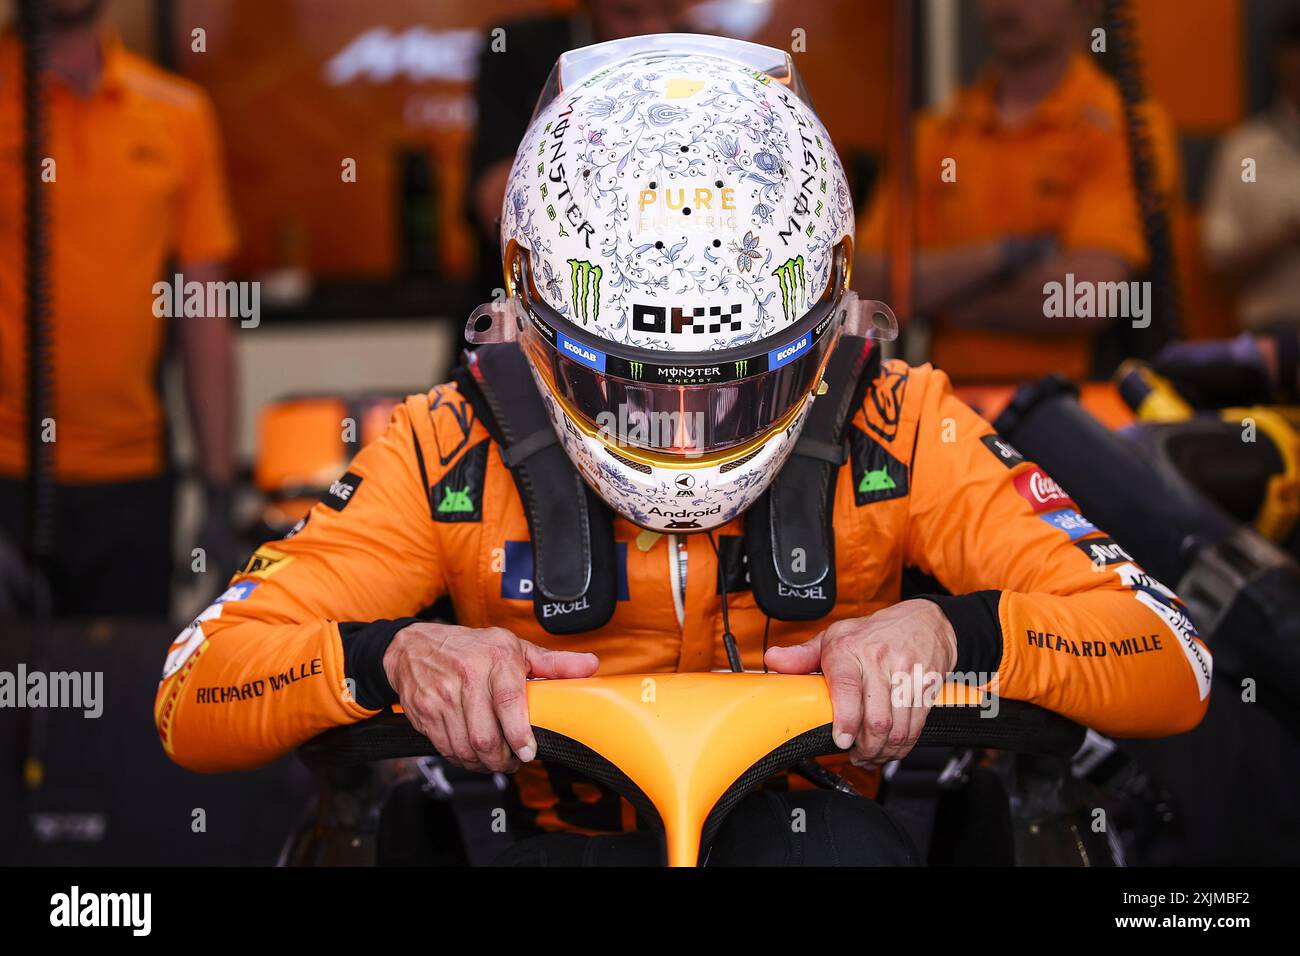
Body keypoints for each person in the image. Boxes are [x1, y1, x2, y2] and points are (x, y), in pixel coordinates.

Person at [155, 36, 1210, 866]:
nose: (685, 431)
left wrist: (950, 630)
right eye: (632, 385)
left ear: (827, 331)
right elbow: (195, 690)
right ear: (529, 327)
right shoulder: (447, 444)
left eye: (737, 383)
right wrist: (395, 655)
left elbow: (1171, 657)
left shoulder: (902, 419)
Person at [0, 0, 239, 616]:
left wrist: (218, 491)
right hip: (6, 473)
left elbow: (203, 308)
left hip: (132, 478)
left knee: (122, 698)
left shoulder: (176, 111)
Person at [856, 0, 1180, 384]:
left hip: (1082, 410)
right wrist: (1004, 255)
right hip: (948, 413)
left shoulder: (1121, 128)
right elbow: (867, 282)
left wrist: (945, 300)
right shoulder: (938, 132)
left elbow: (1086, 298)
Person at [467, 0, 683, 298]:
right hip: (529, 304)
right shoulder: (518, 48)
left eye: (667, 11)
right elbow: (496, 204)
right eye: (627, 13)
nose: (652, 30)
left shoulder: (701, 56)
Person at [1201, 13, 1300, 335]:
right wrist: (1285, 236)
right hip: (1275, 336)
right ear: (1282, 58)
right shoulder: (1246, 154)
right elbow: (1220, 271)